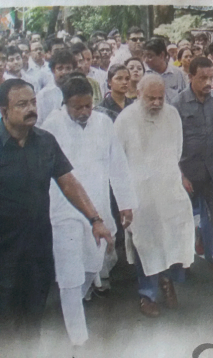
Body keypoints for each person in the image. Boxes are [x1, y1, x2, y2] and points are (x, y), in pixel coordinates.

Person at [0, 79, 111, 347]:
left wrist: (95, 219)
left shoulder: (45, 141)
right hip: (3, 251)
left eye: (33, 102)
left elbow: (68, 182)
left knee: (31, 320)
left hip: (37, 248)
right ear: (3, 110)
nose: (31, 109)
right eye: (22, 104)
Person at [40, 76, 136, 346]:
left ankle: (74, 300)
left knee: (92, 266)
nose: (83, 113)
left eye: (87, 106)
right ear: (64, 104)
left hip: (99, 208)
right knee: (69, 270)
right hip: (63, 209)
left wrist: (126, 202)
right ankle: (78, 337)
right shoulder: (52, 126)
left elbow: (118, 165)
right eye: (76, 107)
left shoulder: (104, 123)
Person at [114, 74, 196, 317]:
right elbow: (117, 161)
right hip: (140, 193)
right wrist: (124, 199)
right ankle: (147, 295)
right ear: (138, 94)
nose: (157, 103)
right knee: (145, 242)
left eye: (160, 98)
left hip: (169, 187)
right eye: (151, 98)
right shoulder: (125, 119)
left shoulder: (172, 114)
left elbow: (177, 150)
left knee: (174, 235)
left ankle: (167, 280)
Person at [171, 57, 213, 264]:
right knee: (183, 218)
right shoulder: (177, 104)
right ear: (190, 77)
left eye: (211, 78)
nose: (208, 83)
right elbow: (171, 143)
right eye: (202, 78)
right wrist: (179, 175)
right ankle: (182, 260)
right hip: (188, 171)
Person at [35, 50, 77, 126]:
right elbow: (38, 123)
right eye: (60, 68)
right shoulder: (43, 95)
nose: (64, 72)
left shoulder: (78, 92)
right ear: (53, 70)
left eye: (68, 68)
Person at [143, 39, 188, 103]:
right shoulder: (144, 75)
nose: (146, 60)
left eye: (150, 56)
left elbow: (185, 98)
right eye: (144, 56)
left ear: (162, 55)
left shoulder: (178, 74)